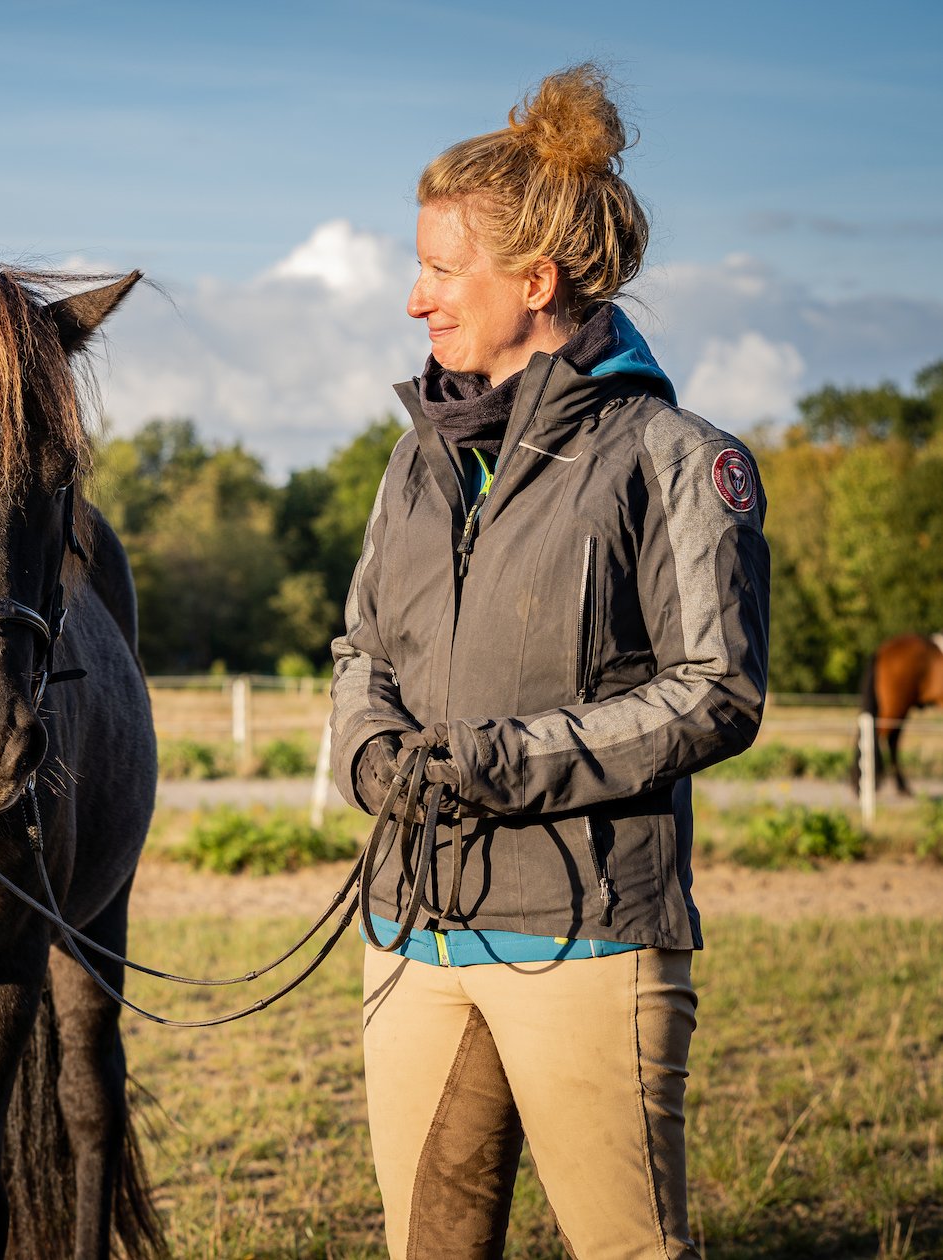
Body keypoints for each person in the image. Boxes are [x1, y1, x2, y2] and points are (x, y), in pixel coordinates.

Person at [330, 64, 769, 1259]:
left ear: (537, 280)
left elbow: (716, 691)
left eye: (439, 268)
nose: (415, 300)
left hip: (590, 939)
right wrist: (369, 748)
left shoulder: (677, 458)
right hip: (409, 930)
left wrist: (497, 763)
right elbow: (362, 645)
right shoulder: (413, 461)